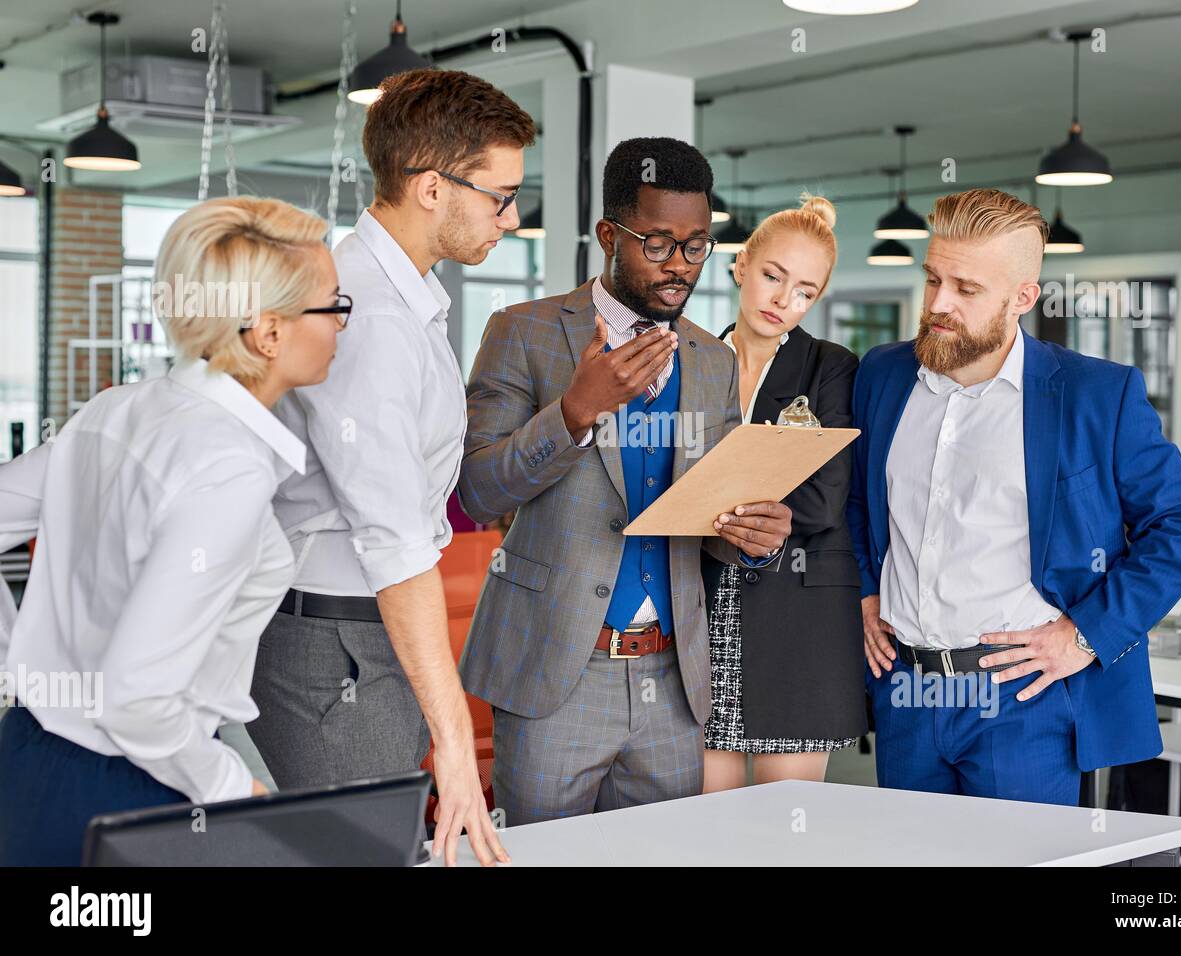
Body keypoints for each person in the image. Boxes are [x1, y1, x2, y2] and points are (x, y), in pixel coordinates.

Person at [457, 137, 794, 826]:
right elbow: (477, 490)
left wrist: (752, 535)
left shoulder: (711, 359)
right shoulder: (522, 331)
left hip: (672, 683)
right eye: (658, 243)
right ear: (610, 234)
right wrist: (574, 412)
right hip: (557, 672)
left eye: (696, 246)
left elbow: (713, 518)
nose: (679, 266)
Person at [0, 196, 341, 865]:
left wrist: (21, 657)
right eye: (335, 307)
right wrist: (236, 792)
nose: (342, 328)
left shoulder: (117, 408)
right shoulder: (228, 467)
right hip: (134, 793)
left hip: (27, 757)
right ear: (268, 332)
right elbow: (136, 699)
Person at [847, 187, 1181, 806]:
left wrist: (1085, 633)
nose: (938, 304)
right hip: (906, 696)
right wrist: (863, 591)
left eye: (967, 289)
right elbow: (857, 502)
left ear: (1022, 298)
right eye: (933, 278)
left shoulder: (1098, 395)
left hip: (1024, 703)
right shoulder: (881, 374)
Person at [248, 68, 528, 866]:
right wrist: (452, 743)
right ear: (432, 187)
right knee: (366, 858)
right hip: (335, 644)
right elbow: (396, 543)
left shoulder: (402, 299)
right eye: (499, 195)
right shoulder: (367, 314)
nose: (511, 216)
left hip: (363, 638)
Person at [702, 194, 866, 791]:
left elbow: (824, 498)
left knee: (785, 836)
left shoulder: (830, 367)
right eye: (773, 276)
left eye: (805, 291)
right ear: (741, 263)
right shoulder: (692, 359)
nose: (782, 300)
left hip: (801, 620)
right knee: (700, 829)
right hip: (700, 613)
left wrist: (720, 502)